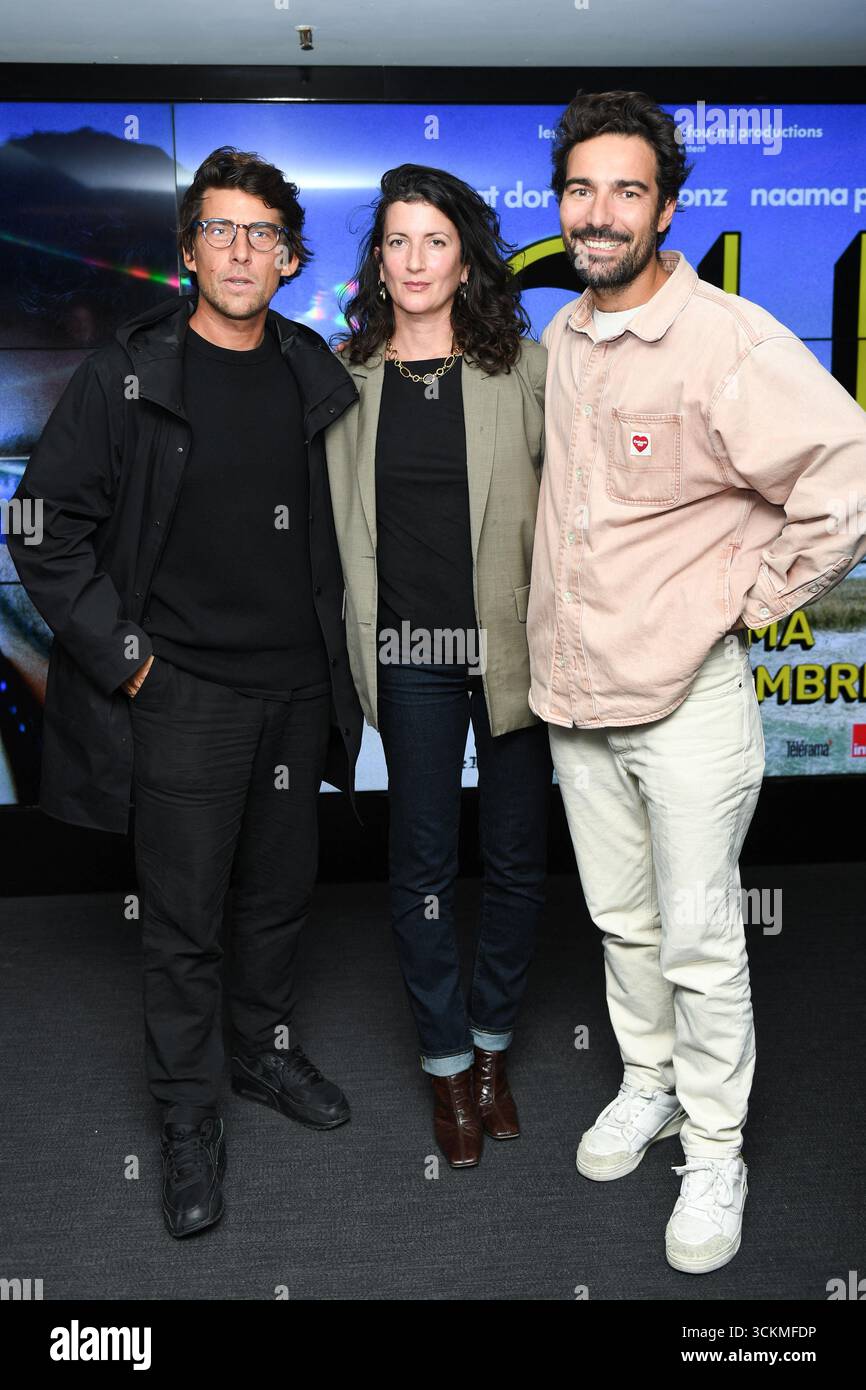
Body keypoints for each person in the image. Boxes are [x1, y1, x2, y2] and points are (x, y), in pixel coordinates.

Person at [527, 90, 866, 1272]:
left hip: (684, 703)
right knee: (622, 926)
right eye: (581, 188)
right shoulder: (562, 337)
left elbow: (844, 471)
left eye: (627, 189)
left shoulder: (725, 339)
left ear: (665, 207)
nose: (600, 211)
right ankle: (648, 1084)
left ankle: (713, 1148)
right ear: (560, 202)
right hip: (575, 704)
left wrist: (744, 597)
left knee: (699, 941)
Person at [8, 147, 363, 1238]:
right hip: (183, 694)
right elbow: (40, 526)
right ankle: (183, 1118)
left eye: (262, 232)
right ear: (187, 251)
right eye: (220, 229)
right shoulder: (127, 373)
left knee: (276, 895)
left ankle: (259, 1054)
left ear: (290, 255)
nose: (241, 250)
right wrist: (130, 657)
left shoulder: (314, 366)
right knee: (181, 924)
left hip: (297, 693)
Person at [326, 164, 552, 1168]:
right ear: (377, 260)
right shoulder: (345, 377)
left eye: (433, 241)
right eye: (395, 242)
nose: (413, 261)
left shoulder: (526, 372)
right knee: (419, 868)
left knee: (513, 859)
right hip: (410, 652)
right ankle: (447, 1064)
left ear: (464, 260)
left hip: (511, 646)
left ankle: (495, 1048)